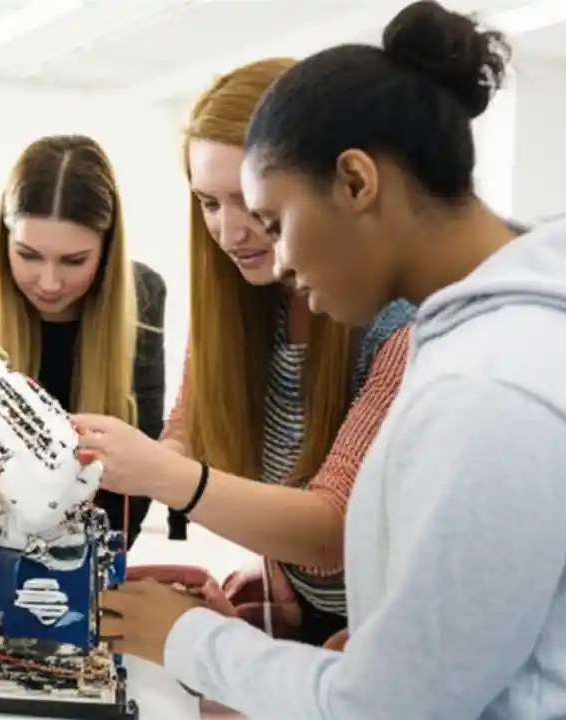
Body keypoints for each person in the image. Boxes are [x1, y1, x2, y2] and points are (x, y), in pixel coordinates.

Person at [97, 2, 566, 717]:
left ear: (357, 183)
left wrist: (188, 640)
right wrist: (373, 645)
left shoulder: (489, 389)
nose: (281, 257)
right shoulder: (496, 344)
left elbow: (386, 709)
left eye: (275, 221)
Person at [71, 59, 414, 646]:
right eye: (208, 203)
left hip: (396, 635)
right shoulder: (245, 309)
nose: (229, 233)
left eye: (248, 203)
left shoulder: (398, 326)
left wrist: (160, 472)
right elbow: (191, 429)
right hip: (314, 620)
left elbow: (331, 528)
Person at [0, 134, 166, 546]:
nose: (49, 284)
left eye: (74, 261)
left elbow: (141, 460)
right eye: (28, 255)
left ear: (106, 249)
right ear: (3, 241)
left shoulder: (143, 297)